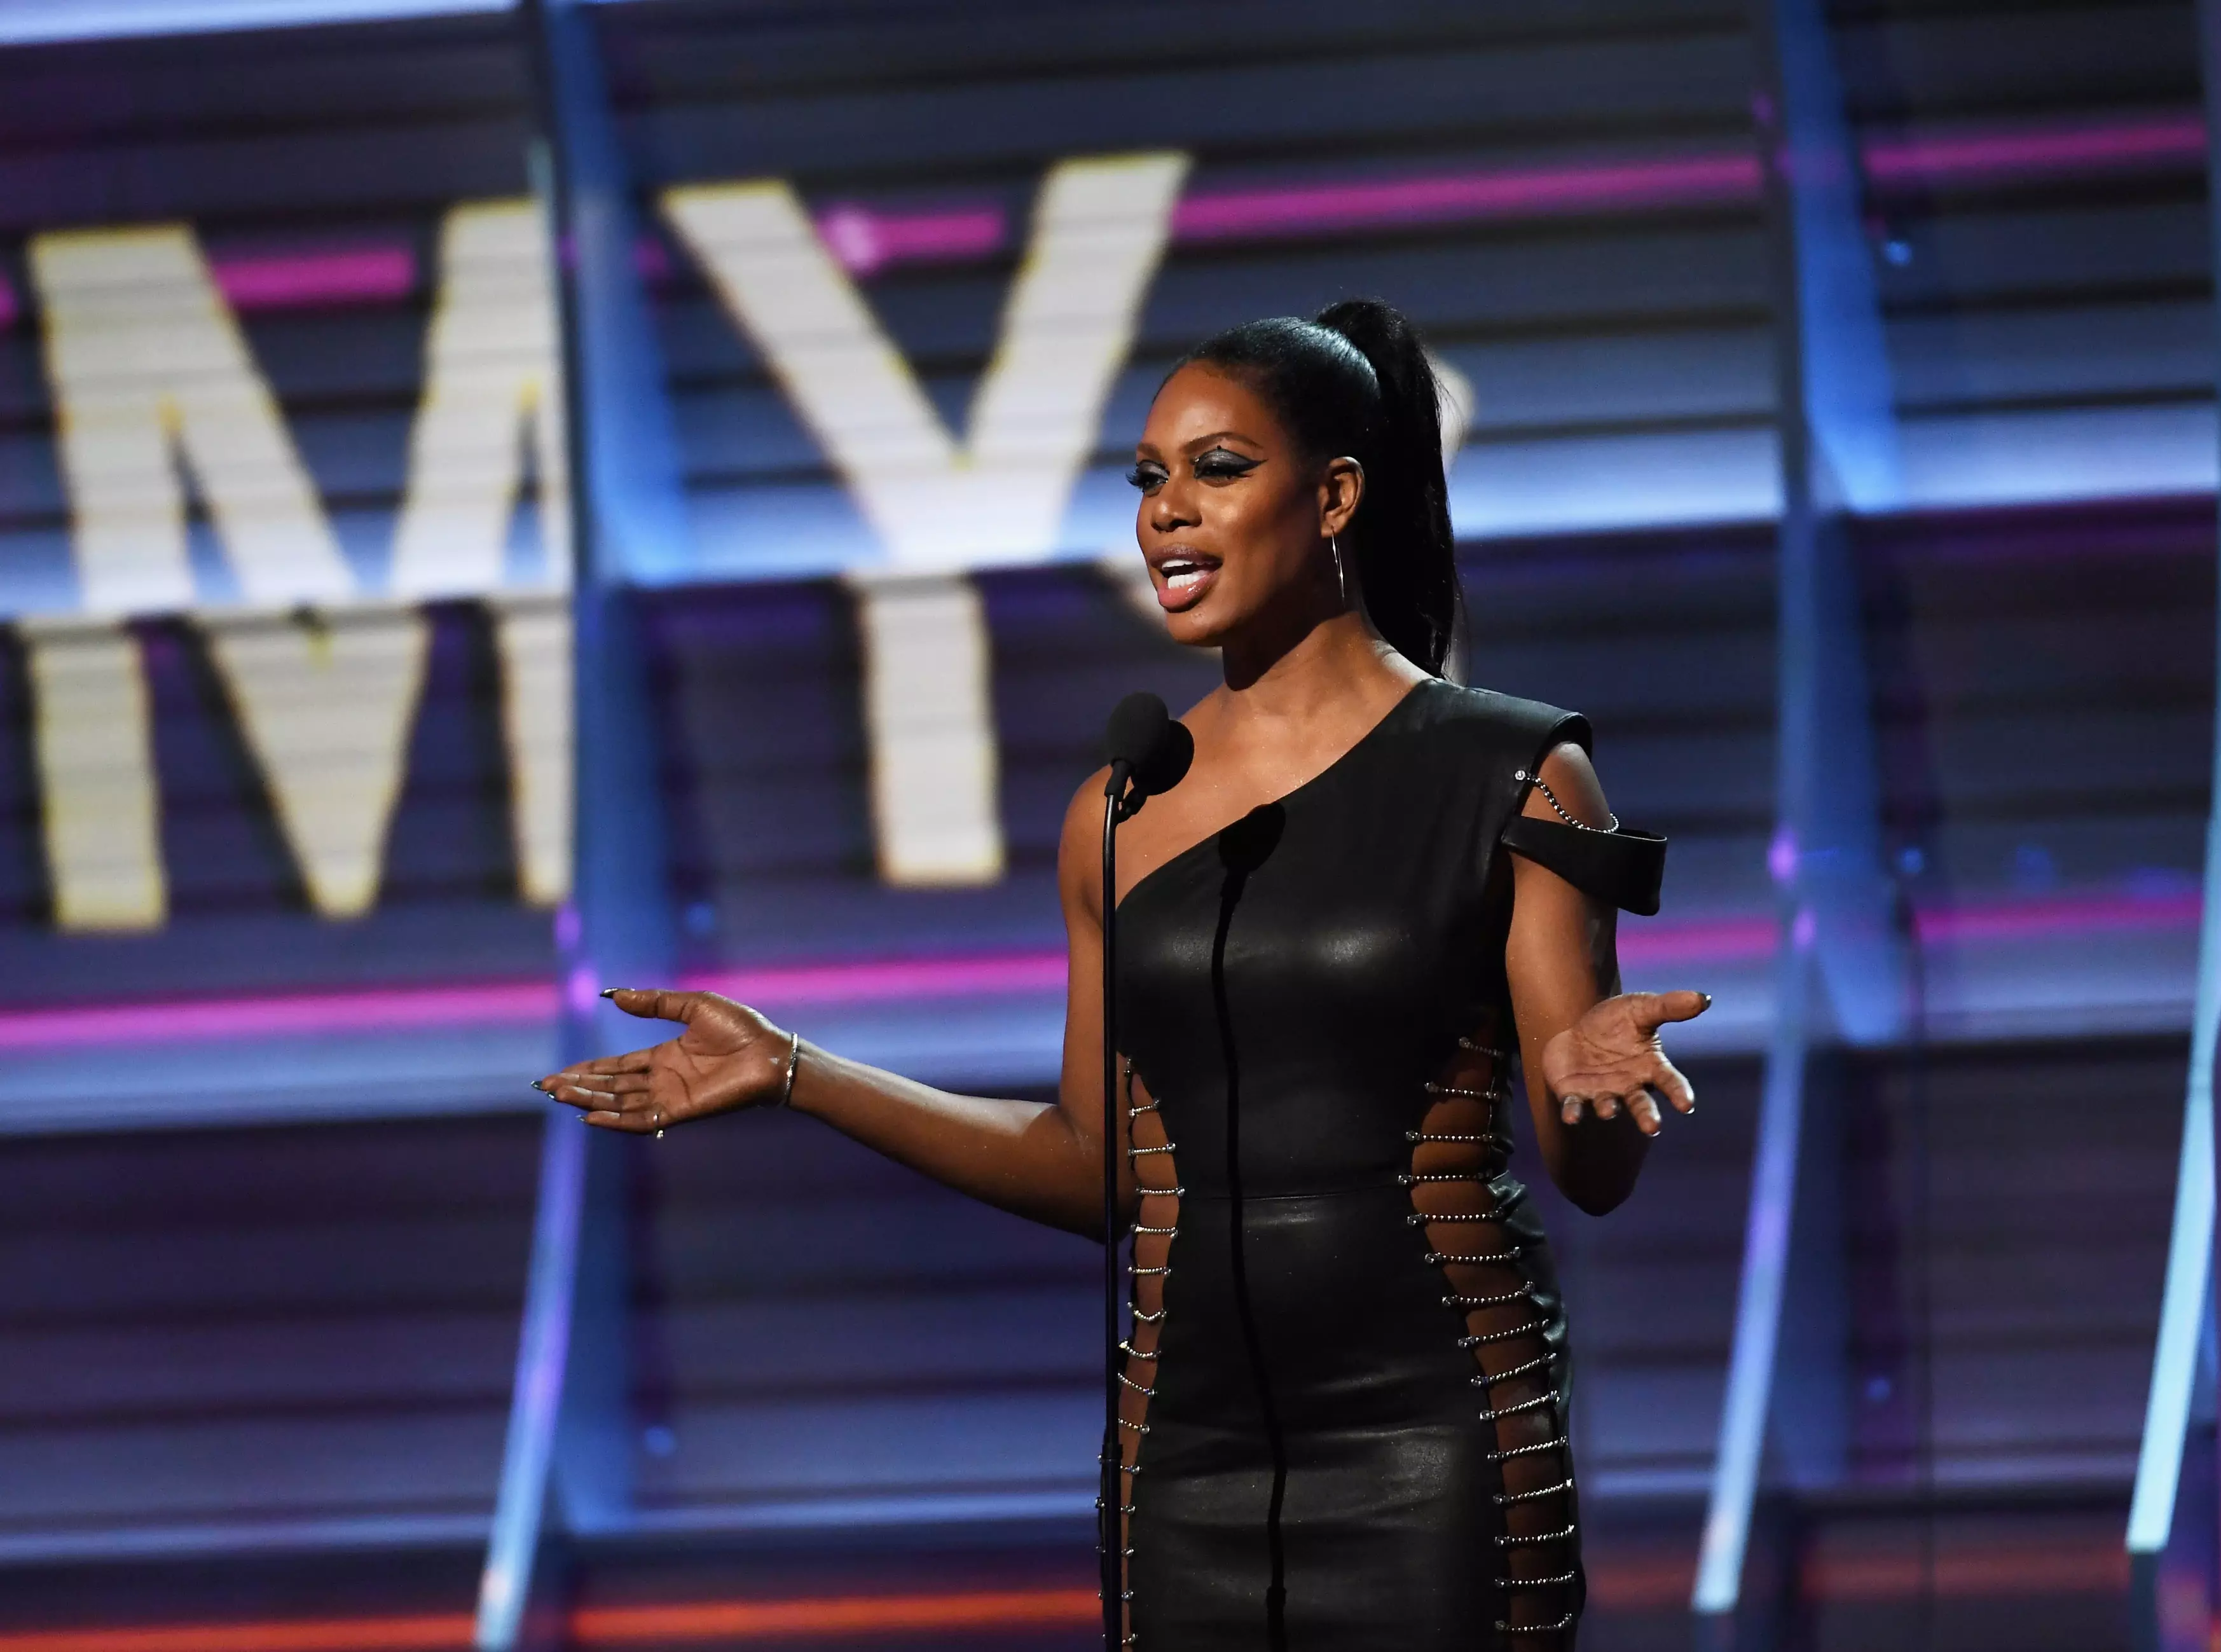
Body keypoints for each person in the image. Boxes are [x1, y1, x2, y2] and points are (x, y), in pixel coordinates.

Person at [540, 298, 1709, 1651]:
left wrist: (1583, 1086)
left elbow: (1596, 1179)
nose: (1166, 512)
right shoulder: (1121, 806)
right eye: (1147, 478)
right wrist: (799, 1073)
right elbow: (1100, 1164)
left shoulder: (1518, 772)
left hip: (1432, 1435)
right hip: (1184, 1455)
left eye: (1217, 468)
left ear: (1334, 495)